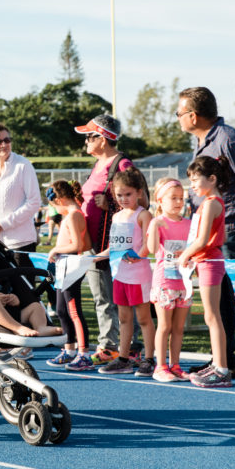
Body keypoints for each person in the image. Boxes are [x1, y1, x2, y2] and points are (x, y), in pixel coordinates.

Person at [177, 86, 235, 378]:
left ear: (193, 115)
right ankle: (223, 359)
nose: (177, 119)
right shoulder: (203, 141)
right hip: (212, 230)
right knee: (223, 301)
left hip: (231, 229)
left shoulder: (228, 139)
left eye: (179, 114)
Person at [75, 114, 133, 365]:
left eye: (89, 136)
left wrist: (110, 204)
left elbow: (140, 201)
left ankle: (111, 346)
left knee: (110, 297)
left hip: (110, 244)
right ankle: (122, 344)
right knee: (103, 296)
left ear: (104, 138)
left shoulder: (121, 164)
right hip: (93, 243)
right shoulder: (98, 164)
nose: (85, 141)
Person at [179, 155, 232, 389]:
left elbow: (201, 240)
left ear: (212, 179)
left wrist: (185, 254)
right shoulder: (211, 202)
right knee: (211, 316)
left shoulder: (211, 203)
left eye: (195, 180)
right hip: (206, 259)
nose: (192, 186)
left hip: (209, 261)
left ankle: (221, 369)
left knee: (212, 316)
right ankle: (218, 364)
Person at [98, 168, 156, 376]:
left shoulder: (144, 214)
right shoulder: (116, 217)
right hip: (119, 274)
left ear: (139, 192)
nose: (123, 199)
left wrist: (139, 254)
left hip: (138, 275)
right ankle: (123, 358)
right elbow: (114, 247)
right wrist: (99, 255)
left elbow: (150, 244)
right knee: (123, 318)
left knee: (143, 318)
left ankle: (149, 359)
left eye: (128, 194)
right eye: (119, 195)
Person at [45, 180, 94, 371]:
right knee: (61, 309)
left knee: (73, 310)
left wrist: (56, 249)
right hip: (63, 265)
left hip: (70, 265)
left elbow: (79, 246)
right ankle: (70, 350)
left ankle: (84, 353)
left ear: (59, 200)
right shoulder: (72, 215)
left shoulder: (74, 215)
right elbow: (87, 243)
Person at [147, 178, 192, 382]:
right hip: (164, 282)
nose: (178, 202)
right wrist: (155, 225)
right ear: (160, 200)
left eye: (181, 198)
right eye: (173, 198)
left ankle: (175, 365)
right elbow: (153, 249)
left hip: (184, 284)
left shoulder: (190, 224)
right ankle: (160, 366)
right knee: (164, 326)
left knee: (179, 328)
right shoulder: (158, 223)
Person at [0, 124, 41, 253]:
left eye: (7, 140)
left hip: (20, 242)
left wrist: (3, 224)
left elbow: (34, 202)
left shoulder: (23, 165)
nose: (4, 144)